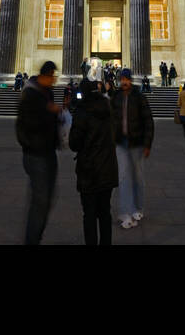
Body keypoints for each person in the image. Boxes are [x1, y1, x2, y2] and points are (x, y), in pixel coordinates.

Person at [17, 61, 63, 245]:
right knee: (40, 201)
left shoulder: (47, 93)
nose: (54, 80)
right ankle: (32, 240)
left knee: (47, 198)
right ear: (46, 75)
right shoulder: (30, 95)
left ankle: (35, 237)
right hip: (36, 154)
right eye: (52, 76)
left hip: (48, 151)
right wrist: (48, 112)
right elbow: (25, 125)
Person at [69, 77, 118, 245]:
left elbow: (73, 144)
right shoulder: (109, 109)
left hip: (89, 170)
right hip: (107, 168)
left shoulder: (82, 112)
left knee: (89, 214)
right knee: (105, 212)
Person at [110, 68, 154, 228]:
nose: (124, 82)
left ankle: (138, 207)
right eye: (121, 79)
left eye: (126, 79)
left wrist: (147, 144)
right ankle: (125, 212)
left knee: (138, 177)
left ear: (130, 80)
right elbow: (110, 119)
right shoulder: (116, 97)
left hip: (137, 143)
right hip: (120, 143)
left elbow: (148, 121)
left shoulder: (139, 97)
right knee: (123, 178)